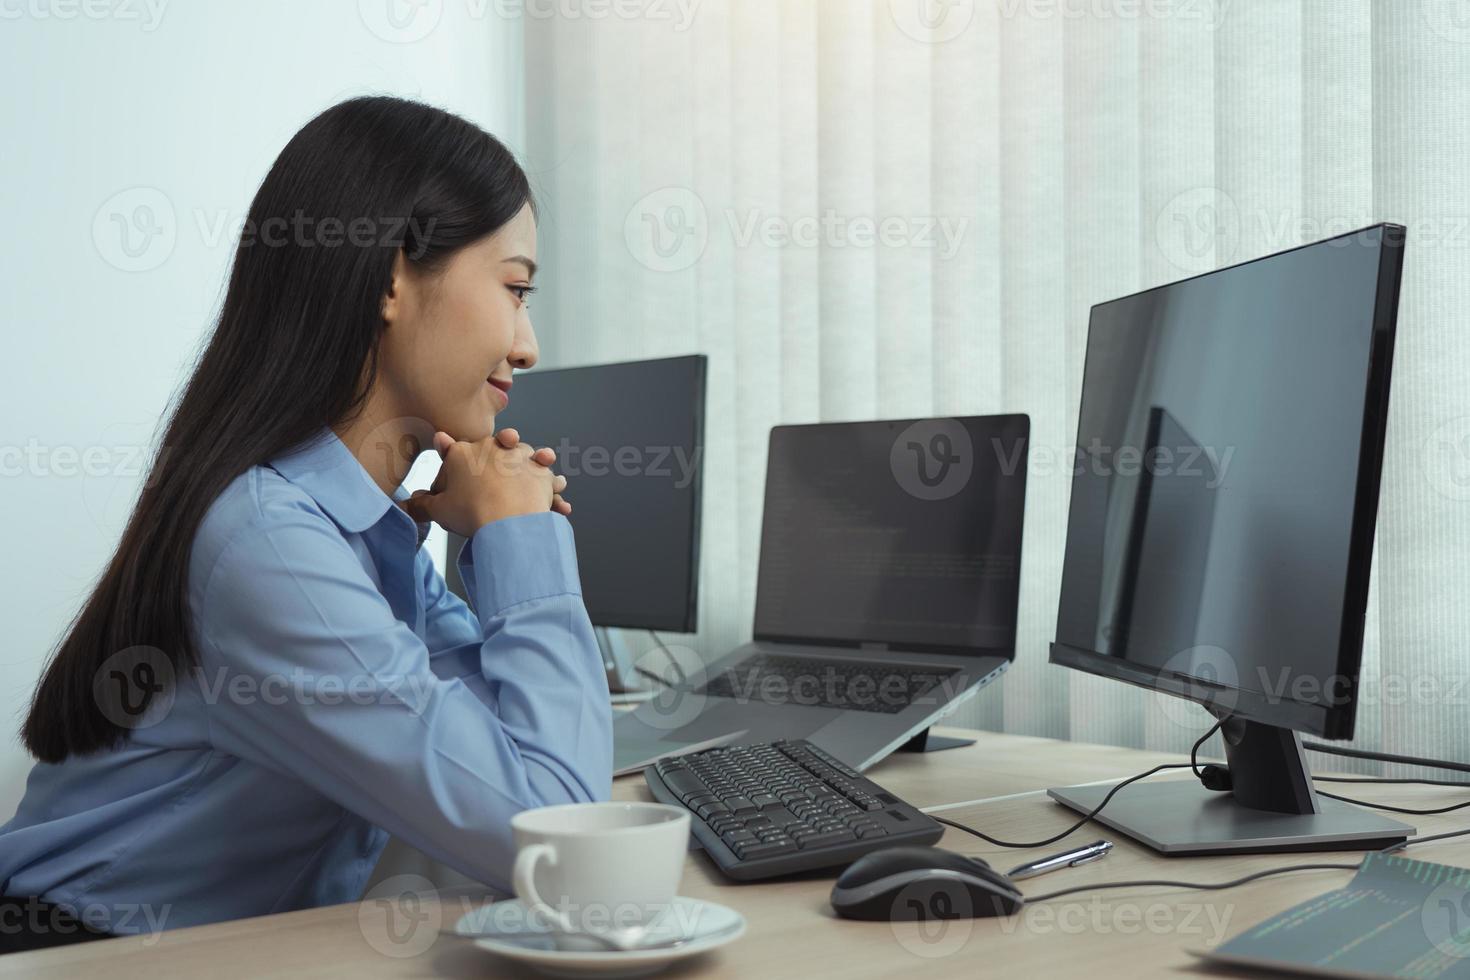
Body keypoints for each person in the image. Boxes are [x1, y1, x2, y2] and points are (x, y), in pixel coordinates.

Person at [0, 96, 612, 952]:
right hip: (69, 959)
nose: (528, 344)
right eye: (515, 290)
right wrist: (522, 539)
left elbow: (504, 764)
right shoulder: (269, 544)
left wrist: (495, 542)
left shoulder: (360, 531)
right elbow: (559, 838)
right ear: (393, 277)